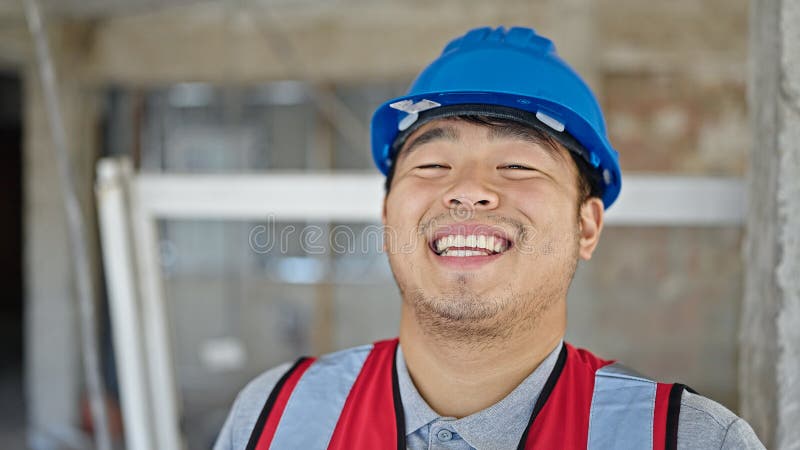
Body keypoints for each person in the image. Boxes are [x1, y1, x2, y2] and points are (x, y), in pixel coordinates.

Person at [214, 26, 764, 449]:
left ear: (586, 225)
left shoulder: (686, 439)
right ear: (387, 216)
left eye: (518, 166)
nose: (468, 190)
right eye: (432, 163)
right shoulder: (275, 417)